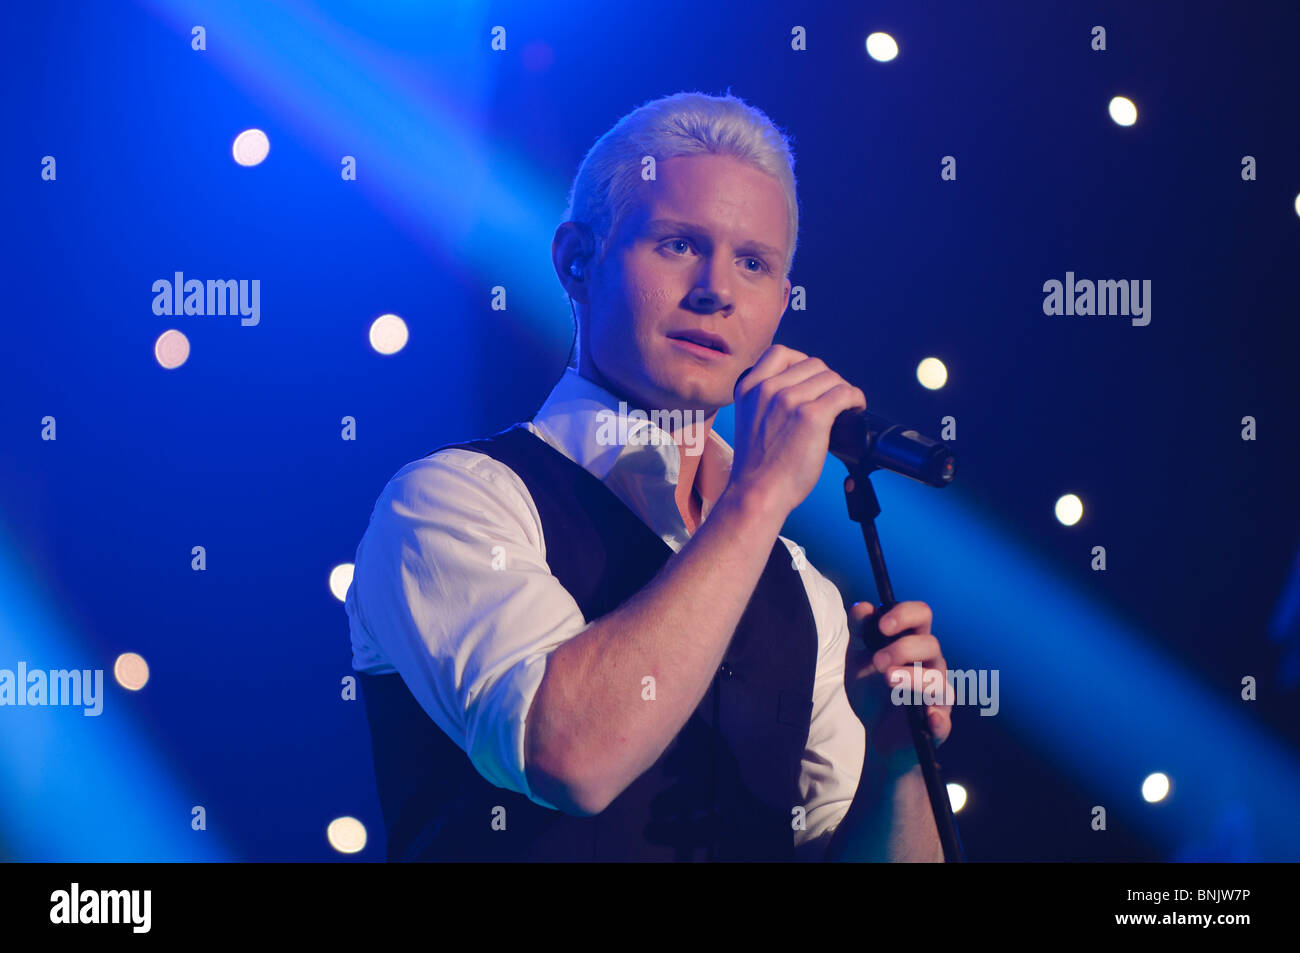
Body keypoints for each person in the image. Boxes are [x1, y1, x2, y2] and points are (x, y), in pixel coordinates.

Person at [345, 90, 952, 862]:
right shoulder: (454, 501)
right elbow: (570, 758)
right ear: (578, 260)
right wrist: (758, 494)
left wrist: (897, 766)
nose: (717, 289)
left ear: (781, 305)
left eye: (753, 263)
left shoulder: (802, 588)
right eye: (677, 244)